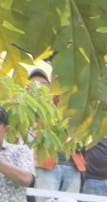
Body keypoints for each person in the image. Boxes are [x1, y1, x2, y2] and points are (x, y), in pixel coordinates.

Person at [27, 63, 81, 195]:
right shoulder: (25, 107)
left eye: (43, 84)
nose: (39, 88)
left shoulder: (58, 105)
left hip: (72, 164)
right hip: (46, 165)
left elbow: (65, 93)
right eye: (34, 84)